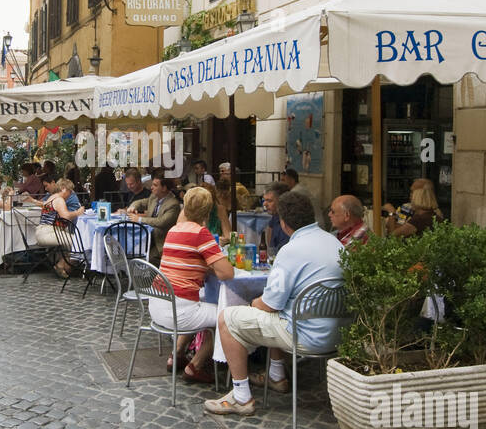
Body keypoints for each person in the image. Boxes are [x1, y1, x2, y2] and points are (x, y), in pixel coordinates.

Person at [204, 190, 345, 416]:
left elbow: (269, 304)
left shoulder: (291, 250)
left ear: (284, 223)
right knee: (278, 313)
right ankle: (276, 375)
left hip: (304, 335)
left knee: (227, 318)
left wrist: (252, 304)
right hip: (339, 333)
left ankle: (241, 397)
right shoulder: (335, 243)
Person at [153, 187, 236, 383]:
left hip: (158, 304)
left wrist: (202, 267)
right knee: (226, 318)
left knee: (199, 304)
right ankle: (195, 366)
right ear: (208, 212)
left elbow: (185, 261)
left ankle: (177, 354)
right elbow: (227, 273)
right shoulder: (201, 234)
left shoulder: (174, 230)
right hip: (178, 311)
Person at [120, 175, 181, 261]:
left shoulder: (173, 204)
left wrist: (139, 219)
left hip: (160, 243)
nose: (151, 187)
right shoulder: (154, 197)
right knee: (129, 249)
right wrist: (133, 207)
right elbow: (140, 202)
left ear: (164, 188)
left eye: (155, 185)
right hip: (146, 238)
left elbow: (161, 221)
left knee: (146, 259)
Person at [34, 178, 83, 278]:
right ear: (64, 189)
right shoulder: (59, 200)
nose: (70, 194)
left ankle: (63, 266)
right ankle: (61, 265)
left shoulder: (52, 197)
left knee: (71, 241)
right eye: (70, 191)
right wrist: (78, 212)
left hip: (43, 232)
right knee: (79, 242)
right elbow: (65, 216)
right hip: (49, 233)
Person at [261, 184, 292, 256]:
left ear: (282, 201)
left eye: (269, 201)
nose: (264, 204)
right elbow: (270, 245)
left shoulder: (290, 223)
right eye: (264, 200)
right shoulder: (275, 216)